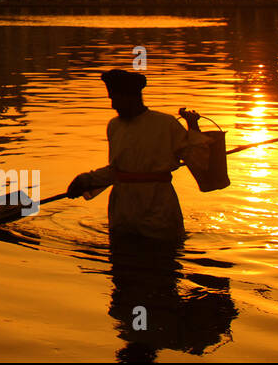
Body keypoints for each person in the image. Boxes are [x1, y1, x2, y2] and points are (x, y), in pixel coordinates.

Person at [66, 69, 211, 241]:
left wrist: (193, 127)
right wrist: (86, 180)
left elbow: (198, 160)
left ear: (132, 97)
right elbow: (116, 171)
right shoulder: (114, 126)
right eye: (111, 99)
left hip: (158, 213)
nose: (113, 105)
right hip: (123, 215)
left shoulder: (166, 124)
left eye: (116, 99)